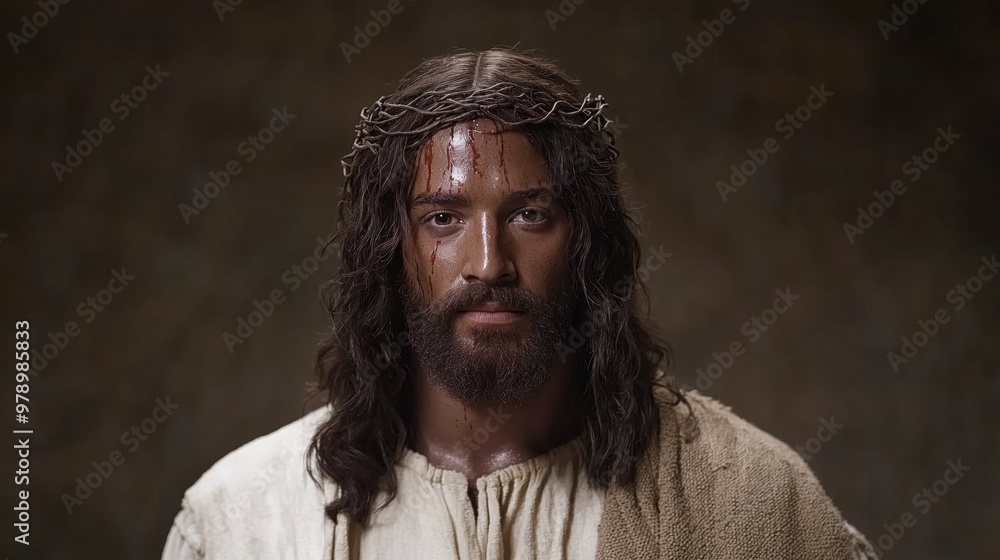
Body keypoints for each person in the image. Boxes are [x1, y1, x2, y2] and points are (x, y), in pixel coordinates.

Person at [162, 47, 877, 559]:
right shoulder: (242, 519)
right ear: (390, 247)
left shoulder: (753, 499)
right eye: (442, 217)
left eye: (531, 215)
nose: (487, 263)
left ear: (588, 244)